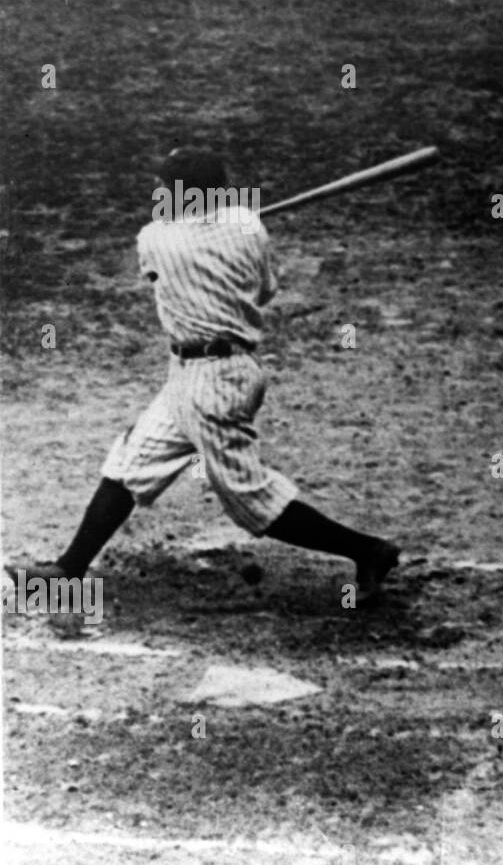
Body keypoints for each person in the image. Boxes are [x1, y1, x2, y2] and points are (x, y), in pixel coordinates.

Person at [25, 147, 400, 636]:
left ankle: (368, 550)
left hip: (214, 385)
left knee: (251, 500)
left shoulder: (156, 239)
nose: (157, 194)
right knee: (128, 464)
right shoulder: (250, 228)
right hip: (197, 375)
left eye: (164, 188)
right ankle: (68, 568)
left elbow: (156, 261)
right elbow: (265, 291)